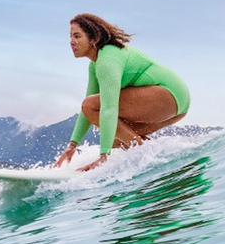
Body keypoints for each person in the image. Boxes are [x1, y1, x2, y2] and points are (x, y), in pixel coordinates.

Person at [53, 13, 190, 172]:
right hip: (178, 103)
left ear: (93, 39)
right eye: (70, 36)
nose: (72, 42)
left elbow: (106, 108)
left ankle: (144, 156)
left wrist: (103, 157)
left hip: (169, 93)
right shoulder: (95, 65)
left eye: (77, 36)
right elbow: (87, 110)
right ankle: (155, 162)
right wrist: (72, 145)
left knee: (92, 107)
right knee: (117, 141)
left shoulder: (107, 60)